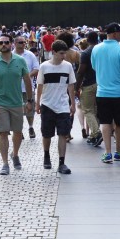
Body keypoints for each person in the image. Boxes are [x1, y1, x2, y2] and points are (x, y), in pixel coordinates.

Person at [0, 33, 34, 176]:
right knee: (3, 132)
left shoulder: (20, 61)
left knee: (18, 132)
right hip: (1, 103)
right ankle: (5, 163)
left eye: (6, 42)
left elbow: (27, 81)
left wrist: (29, 101)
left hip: (17, 102)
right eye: (1, 43)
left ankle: (16, 154)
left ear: (11, 44)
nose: (4, 45)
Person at [90, 22, 120, 164]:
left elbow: (94, 67)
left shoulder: (96, 49)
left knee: (105, 122)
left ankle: (107, 153)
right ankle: (118, 151)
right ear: (115, 33)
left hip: (102, 92)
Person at [36, 40, 77, 174]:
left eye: (64, 53)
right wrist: (37, 103)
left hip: (63, 105)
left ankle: (62, 162)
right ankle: (46, 155)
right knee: (47, 134)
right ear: (53, 52)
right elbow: (40, 86)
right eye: (61, 53)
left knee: (63, 133)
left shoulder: (68, 66)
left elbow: (71, 85)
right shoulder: (44, 67)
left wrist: (72, 103)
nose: (63, 56)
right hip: (47, 104)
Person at [75, 30, 101, 146]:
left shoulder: (85, 53)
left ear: (87, 38)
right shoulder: (102, 50)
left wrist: (76, 87)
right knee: (95, 109)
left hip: (89, 84)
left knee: (87, 110)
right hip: (102, 83)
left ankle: (96, 132)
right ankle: (93, 134)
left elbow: (81, 72)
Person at [14, 36, 40, 138]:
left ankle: (30, 127)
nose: (23, 44)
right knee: (17, 110)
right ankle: (19, 130)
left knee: (30, 109)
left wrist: (27, 76)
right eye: (20, 42)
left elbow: (36, 68)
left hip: (28, 87)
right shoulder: (11, 55)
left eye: (24, 42)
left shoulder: (30, 55)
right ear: (15, 43)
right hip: (14, 88)